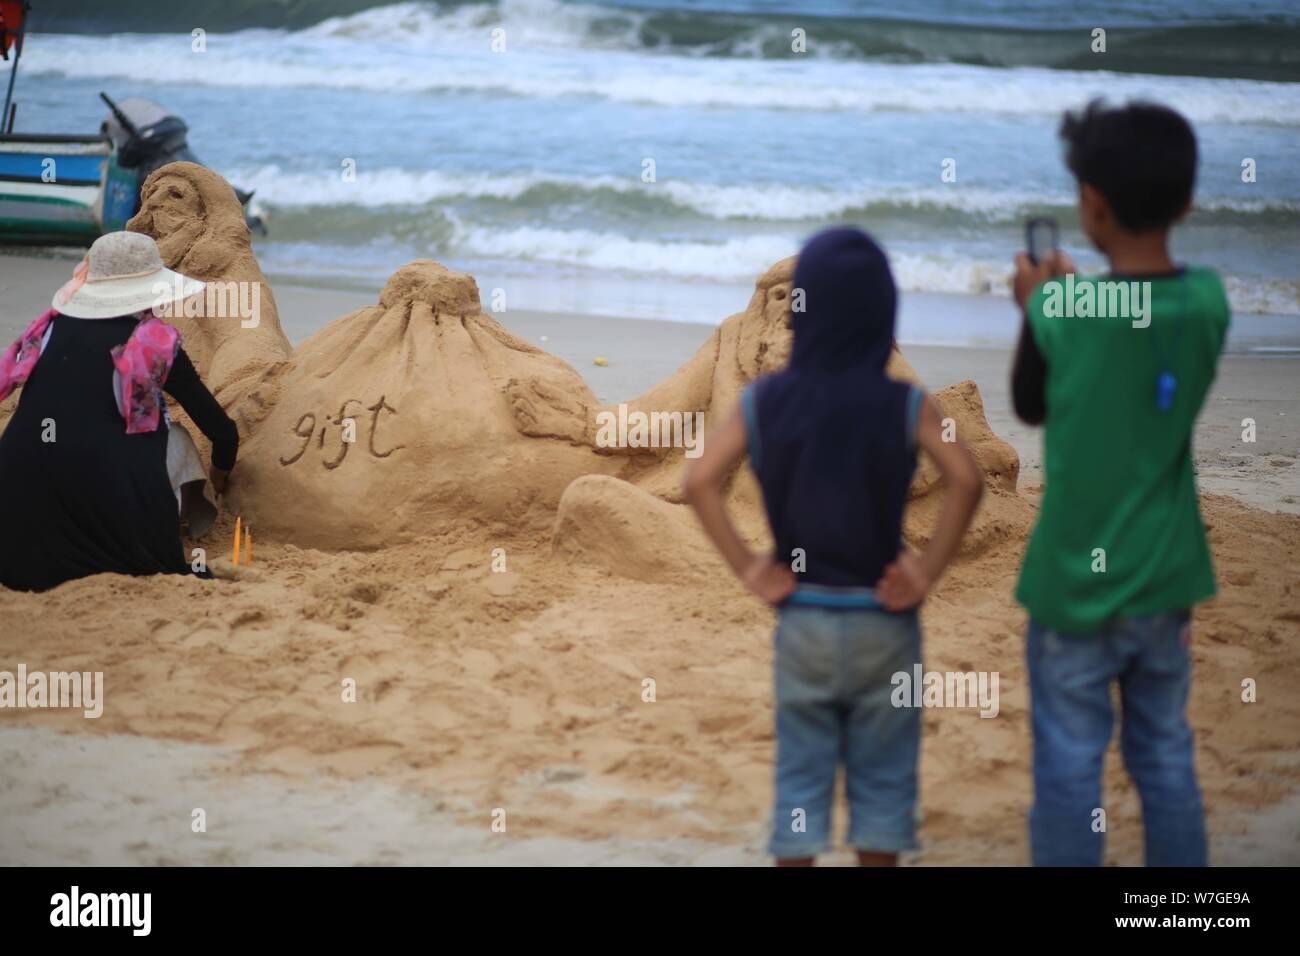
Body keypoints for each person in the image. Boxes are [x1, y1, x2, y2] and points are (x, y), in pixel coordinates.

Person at [684, 227, 983, 866]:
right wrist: (927, 569)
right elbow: (965, 478)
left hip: (805, 620)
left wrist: (750, 569)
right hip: (885, 617)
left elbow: (701, 480)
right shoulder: (904, 402)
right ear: (885, 314)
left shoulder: (765, 400)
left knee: (801, 780)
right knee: (881, 786)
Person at [1011, 100, 1229, 866]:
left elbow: (1029, 405)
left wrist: (1037, 305)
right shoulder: (1208, 303)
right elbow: (1141, 313)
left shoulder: (1065, 308)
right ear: (1189, 201)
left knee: (1070, 760)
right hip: (1166, 580)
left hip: (1073, 585)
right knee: (1165, 753)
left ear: (1091, 204)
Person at [0, 231, 238, 592]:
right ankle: (170, 526)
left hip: (16, 504)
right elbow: (221, 431)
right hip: (111, 506)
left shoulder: (47, 328)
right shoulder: (155, 342)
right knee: (178, 437)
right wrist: (221, 474)